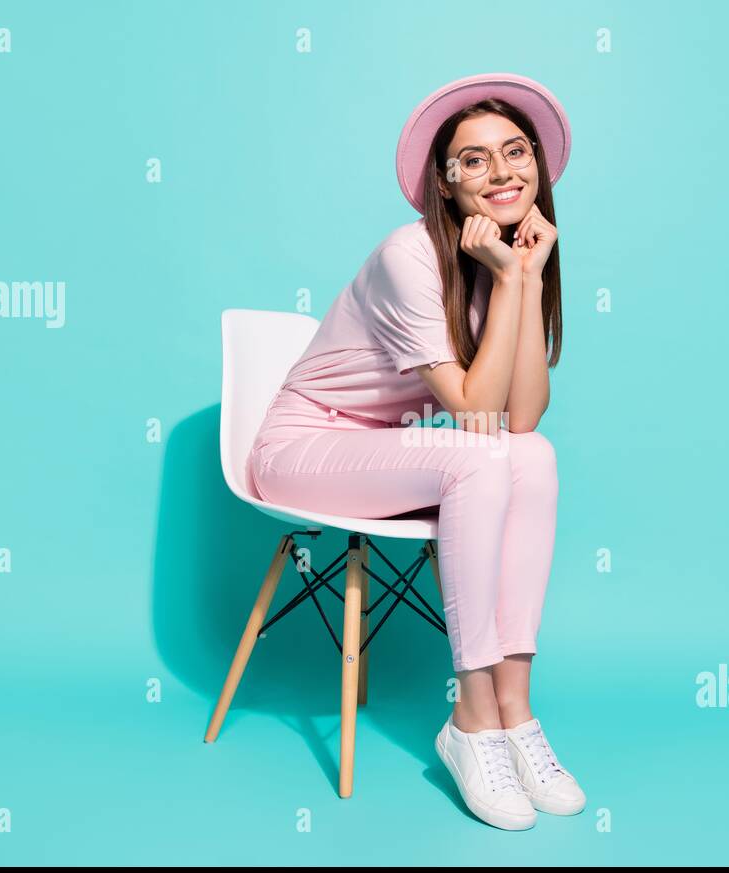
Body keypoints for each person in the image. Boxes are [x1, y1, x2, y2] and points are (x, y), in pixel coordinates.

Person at [247, 73, 584, 830]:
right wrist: (505, 279)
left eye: (515, 152)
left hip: (381, 452)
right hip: (301, 449)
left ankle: (516, 715)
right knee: (477, 455)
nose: (502, 173)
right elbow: (474, 412)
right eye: (474, 159)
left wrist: (522, 279)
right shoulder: (410, 253)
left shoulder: (505, 262)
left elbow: (521, 419)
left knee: (534, 458)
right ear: (445, 179)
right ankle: (470, 718)